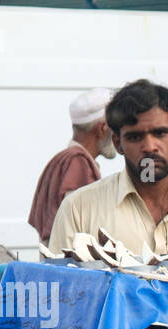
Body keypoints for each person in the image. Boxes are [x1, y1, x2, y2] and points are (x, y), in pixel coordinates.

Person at [47, 79, 168, 256]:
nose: (149, 147)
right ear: (118, 143)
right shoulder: (79, 210)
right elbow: (63, 282)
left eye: (160, 133)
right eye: (135, 137)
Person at [28, 88, 117, 245]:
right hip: (68, 266)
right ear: (102, 128)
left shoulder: (62, 160)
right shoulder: (77, 163)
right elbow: (78, 229)